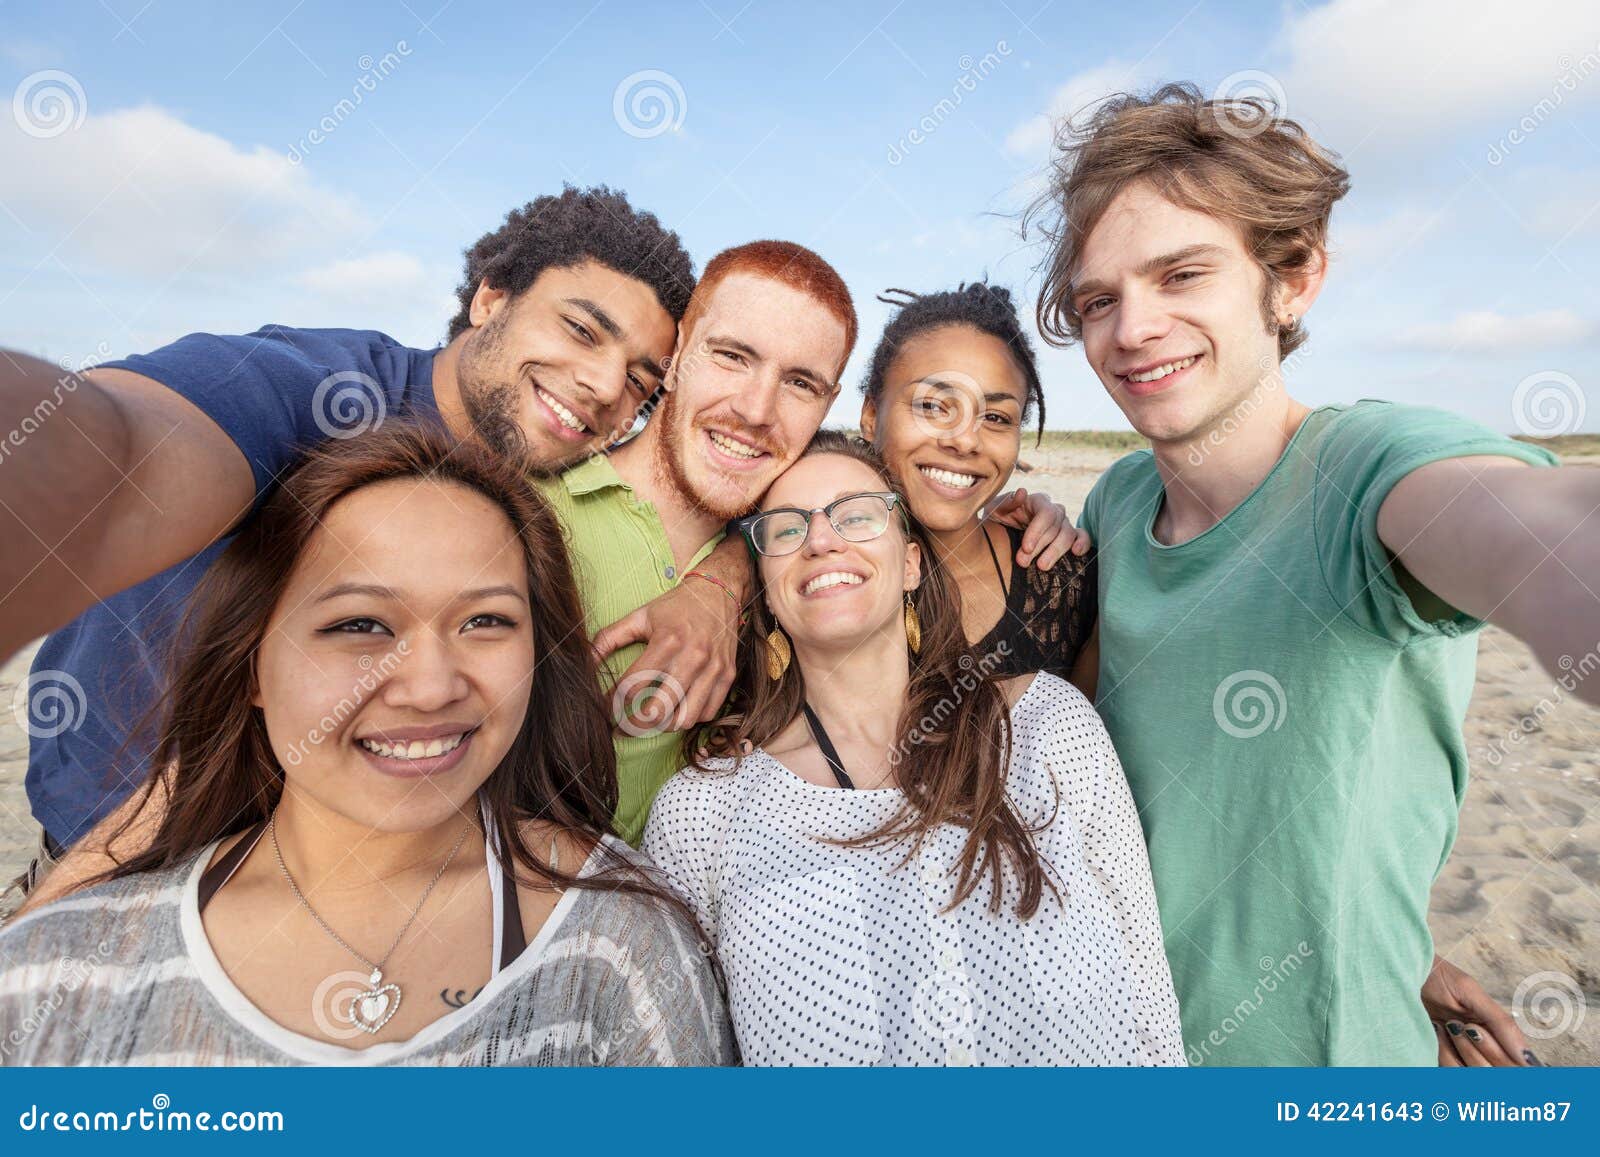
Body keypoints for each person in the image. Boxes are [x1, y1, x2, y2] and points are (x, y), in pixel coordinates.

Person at [1029, 83, 1598, 1065]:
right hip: (1123, 1047)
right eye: (1098, 299)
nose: (1132, 329)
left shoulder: (1366, 468)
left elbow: (1538, 529)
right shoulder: (1114, 502)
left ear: (1290, 279)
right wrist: (1409, 950)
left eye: (1181, 275)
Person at [1, 185, 752, 886]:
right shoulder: (323, 395)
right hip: (101, 861)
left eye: (640, 382)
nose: (602, 385)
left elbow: (782, 487)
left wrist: (725, 580)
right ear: (491, 298)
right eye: (581, 329)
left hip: (311, 896)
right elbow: (123, 449)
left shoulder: (544, 494)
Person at [0, 421, 734, 1066]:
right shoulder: (54, 975)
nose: (429, 686)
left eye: (486, 621)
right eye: (360, 625)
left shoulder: (625, 948)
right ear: (252, 663)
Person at [643, 432, 1184, 1066]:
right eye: (787, 529)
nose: (822, 540)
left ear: (910, 564)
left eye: (857, 515)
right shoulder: (702, 814)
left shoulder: (1048, 726)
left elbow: (1151, 1006)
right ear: (763, 584)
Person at [534, 242, 1079, 845]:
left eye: (799, 382)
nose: (755, 408)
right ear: (679, 347)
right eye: (733, 356)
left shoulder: (801, 546)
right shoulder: (533, 525)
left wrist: (722, 576)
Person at [859, 281, 1097, 693]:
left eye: (997, 417)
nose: (965, 440)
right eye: (933, 406)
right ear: (870, 416)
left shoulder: (1066, 583)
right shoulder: (798, 569)